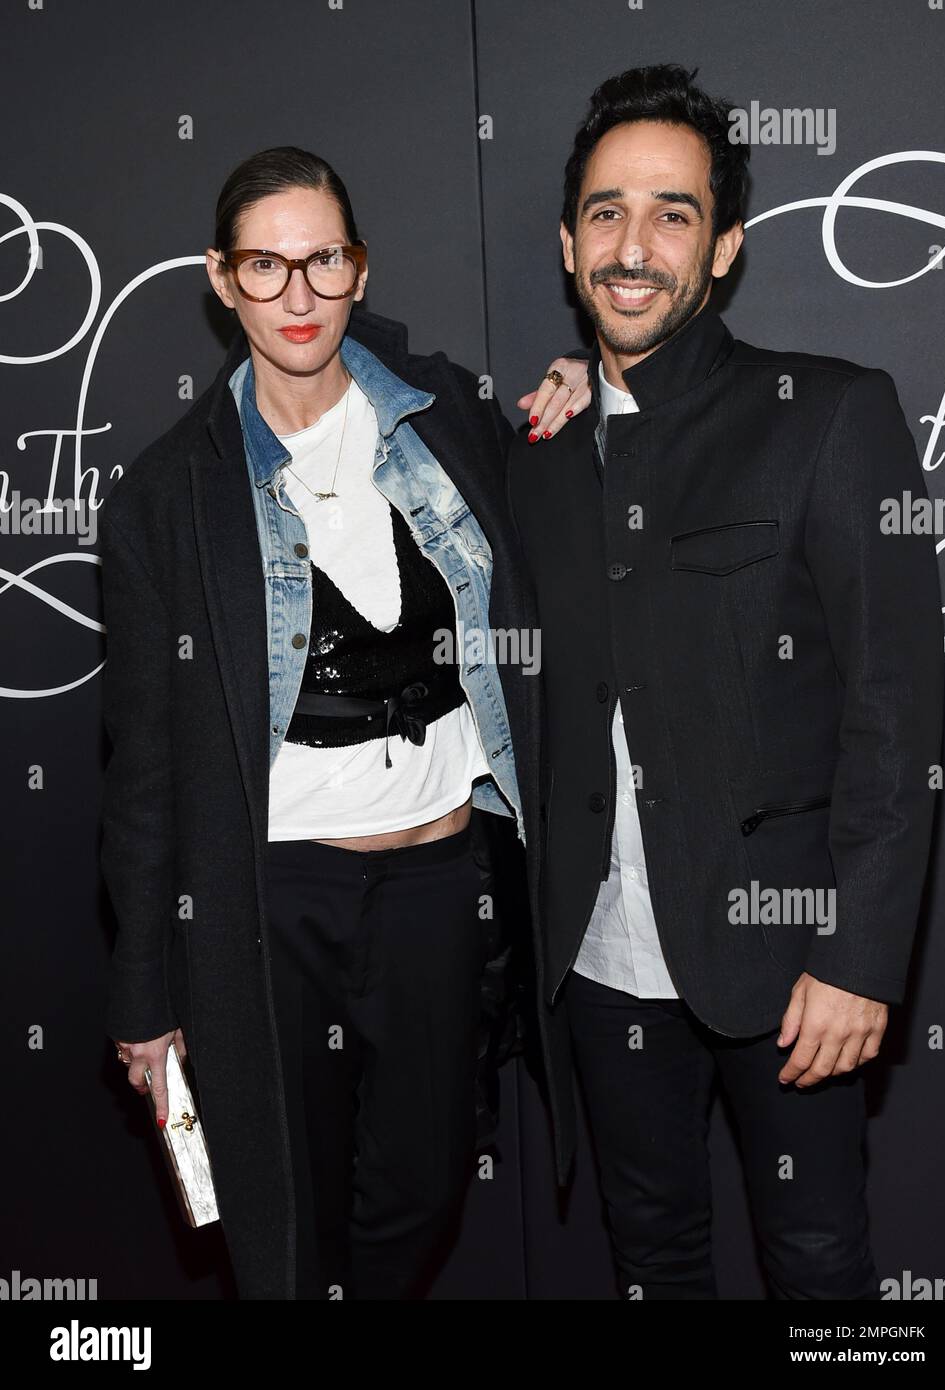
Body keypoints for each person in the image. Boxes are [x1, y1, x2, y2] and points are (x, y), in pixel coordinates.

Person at [100, 144, 589, 1300]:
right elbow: (143, 771)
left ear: (359, 269)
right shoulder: (168, 497)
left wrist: (577, 384)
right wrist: (142, 1000)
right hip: (271, 906)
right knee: (285, 1219)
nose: (299, 294)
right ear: (223, 281)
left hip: (439, 886)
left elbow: (565, 494)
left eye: (323, 260)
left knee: (421, 1200)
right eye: (265, 267)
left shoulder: (450, 421)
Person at [499, 65, 945, 1299]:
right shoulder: (537, 451)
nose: (632, 246)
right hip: (600, 961)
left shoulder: (830, 416)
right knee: (652, 1261)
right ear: (567, 241)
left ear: (727, 245)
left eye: (672, 213)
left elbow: (898, 714)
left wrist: (861, 956)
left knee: (821, 1269)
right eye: (605, 212)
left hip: (789, 969)